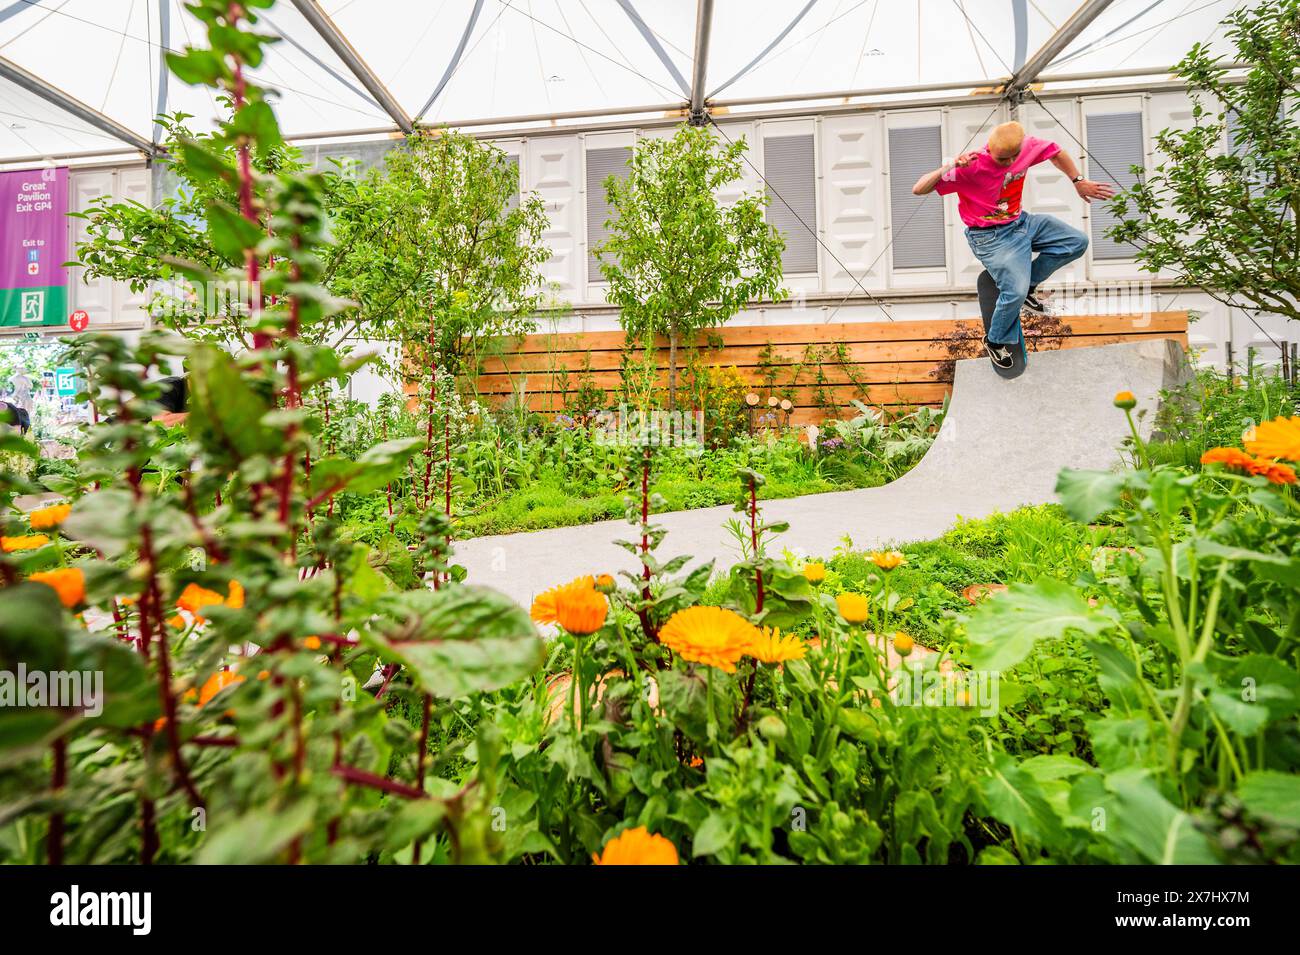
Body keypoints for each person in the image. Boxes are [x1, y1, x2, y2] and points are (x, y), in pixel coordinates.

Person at [911, 121, 1115, 370]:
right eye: (1001, 159)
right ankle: (996, 341)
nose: (1007, 164)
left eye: (1011, 159)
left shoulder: (1028, 145)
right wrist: (950, 165)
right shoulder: (970, 165)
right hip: (989, 238)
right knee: (1013, 293)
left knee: (1076, 242)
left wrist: (1078, 180)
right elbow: (918, 189)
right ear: (990, 149)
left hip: (1021, 222)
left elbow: (1056, 152)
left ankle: (1028, 284)